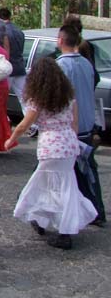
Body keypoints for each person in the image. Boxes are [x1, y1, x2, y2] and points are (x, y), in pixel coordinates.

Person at [5, 58, 97, 249]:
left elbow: (24, 125)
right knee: (65, 187)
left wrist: (11, 138)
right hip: (69, 144)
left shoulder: (39, 100)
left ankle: (44, 220)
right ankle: (58, 226)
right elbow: (75, 123)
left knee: (43, 184)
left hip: (50, 145)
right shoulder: (69, 97)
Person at [56, 24, 107, 226]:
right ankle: (94, 211)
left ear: (60, 41)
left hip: (70, 128)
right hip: (86, 123)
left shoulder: (61, 66)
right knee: (85, 172)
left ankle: (84, 214)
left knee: (73, 173)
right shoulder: (85, 64)